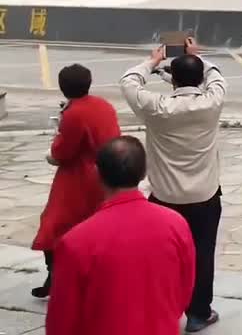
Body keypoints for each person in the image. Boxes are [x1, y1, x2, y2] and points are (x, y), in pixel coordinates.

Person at [120, 38, 226, 332]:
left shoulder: (157, 107)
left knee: (163, 257)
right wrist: (196, 56)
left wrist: (152, 62)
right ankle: (198, 313)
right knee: (203, 254)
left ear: (174, 81)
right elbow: (215, 76)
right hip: (205, 195)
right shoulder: (212, 102)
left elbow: (128, 81)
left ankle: (162, 308)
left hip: (164, 198)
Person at [46, 136, 195, 335]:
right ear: (143, 173)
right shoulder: (176, 224)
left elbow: (62, 319)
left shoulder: (76, 242)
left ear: (97, 173)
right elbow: (184, 292)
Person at [31, 64, 121, 298]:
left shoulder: (74, 113)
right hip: (106, 174)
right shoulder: (103, 105)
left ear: (62, 88)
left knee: (54, 226)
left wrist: (53, 147)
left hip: (79, 176)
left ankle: (56, 276)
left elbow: (63, 152)